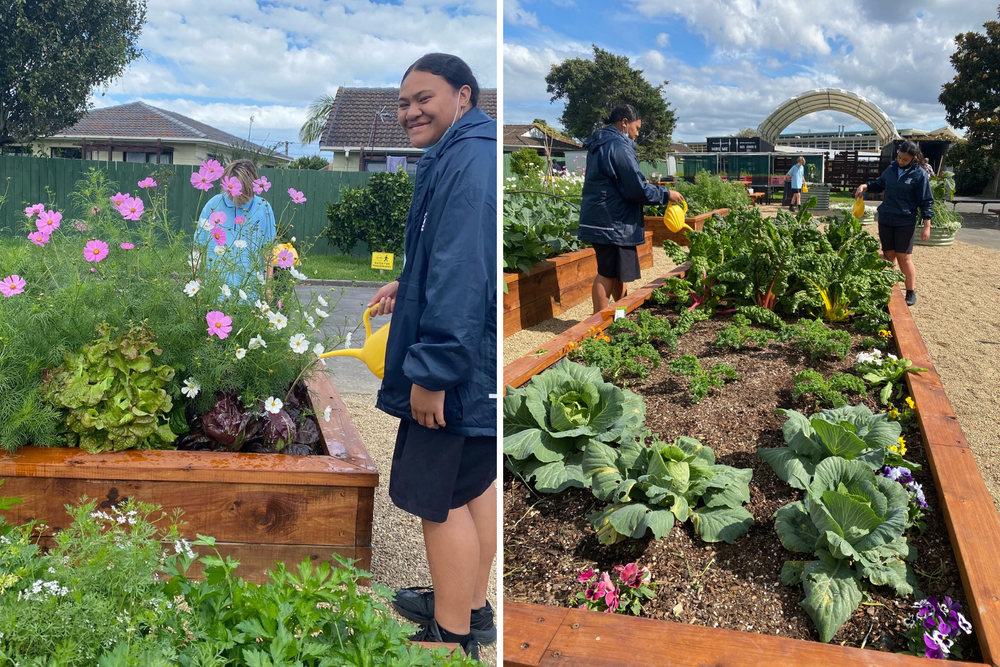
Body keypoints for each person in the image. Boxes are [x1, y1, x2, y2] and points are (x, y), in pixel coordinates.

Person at [366, 53, 496, 659]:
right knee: (474, 485)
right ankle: (473, 607)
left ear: (462, 97)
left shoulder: (467, 161)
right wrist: (407, 279)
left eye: (424, 98)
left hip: (459, 367)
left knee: (436, 499)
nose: (409, 111)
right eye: (402, 102)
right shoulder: (464, 151)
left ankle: (451, 636)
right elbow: (443, 256)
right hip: (478, 359)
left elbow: (463, 272)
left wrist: (433, 373)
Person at [578, 104, 683, 313]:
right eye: (637, 128)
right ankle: (598, 323)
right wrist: (665, 194)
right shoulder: (618, 146)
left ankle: (618, 315)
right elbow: (634, 188)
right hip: (613, 220)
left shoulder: (601, 143)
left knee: (616, 271)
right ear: (624, 123)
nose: (637, 133)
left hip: (602, 217)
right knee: (607, 272)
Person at [855, 140, 933, 307]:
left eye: (904, 159)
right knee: (889, 256)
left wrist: (927, 225)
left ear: (913, 159)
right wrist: (864, 186)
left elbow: (926, 201)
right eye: (899, 157)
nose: (900, 161)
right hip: (886, 219)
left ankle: (910, 291)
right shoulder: (891, 169)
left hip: (905, 220)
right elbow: (878, 184)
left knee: (904, 257)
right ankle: (891, 288)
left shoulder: (919, 174)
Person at [193, 159, 276, 293]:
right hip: (215, 290)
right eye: (230, 189)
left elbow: (268, 252)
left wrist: (268, 288)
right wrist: (195, 279)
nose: (234, 194)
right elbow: (197, 247)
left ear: (251, 188)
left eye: (240, 191)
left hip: (250, 291)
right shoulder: (213, 205)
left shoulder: (263, 208)